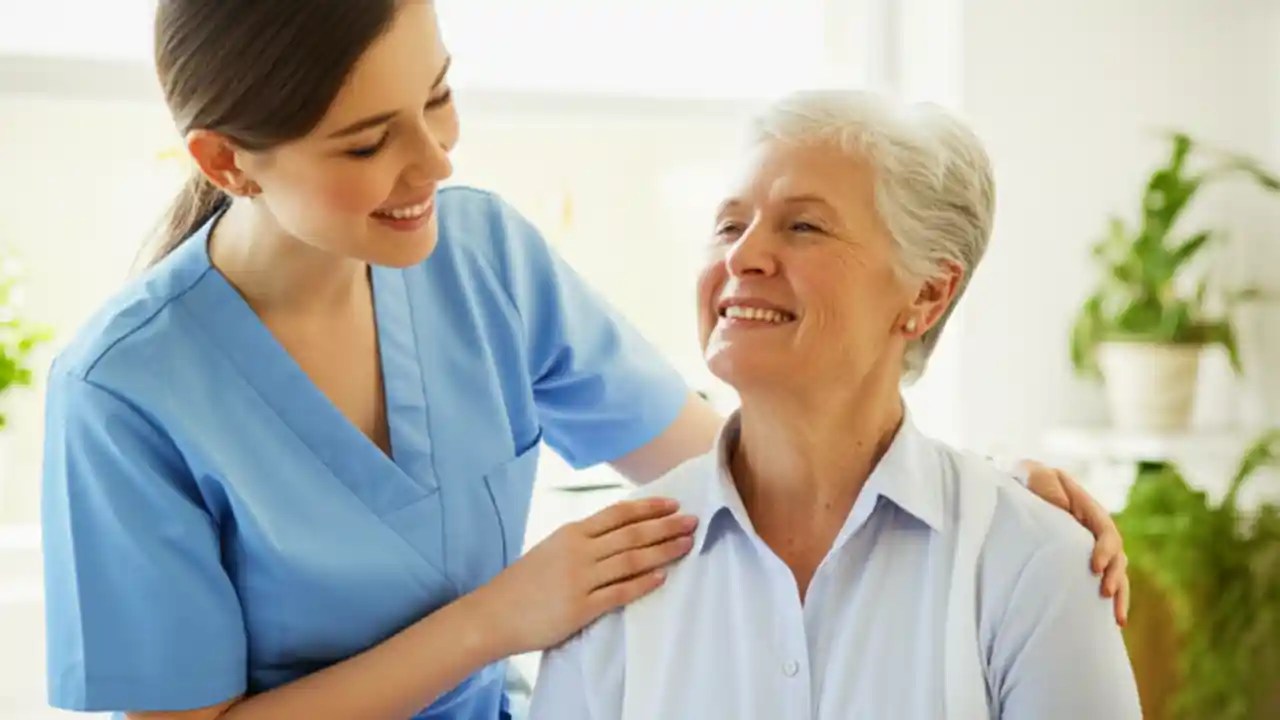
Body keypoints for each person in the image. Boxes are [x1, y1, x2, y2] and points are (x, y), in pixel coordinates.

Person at [40, 2, 1127, 719]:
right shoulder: (126, 392)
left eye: (438, 95)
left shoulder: (480, 258)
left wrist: (980, 499)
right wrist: (497, 619)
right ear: (227, 163)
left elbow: (743, 465)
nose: (437, 158)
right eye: (369, 142)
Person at [528, 90, 1143, 719]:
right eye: (730, 225)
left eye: (803, 226)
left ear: (927, 294)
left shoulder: (1030, 560)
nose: (742, 256)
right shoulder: (610, 573)